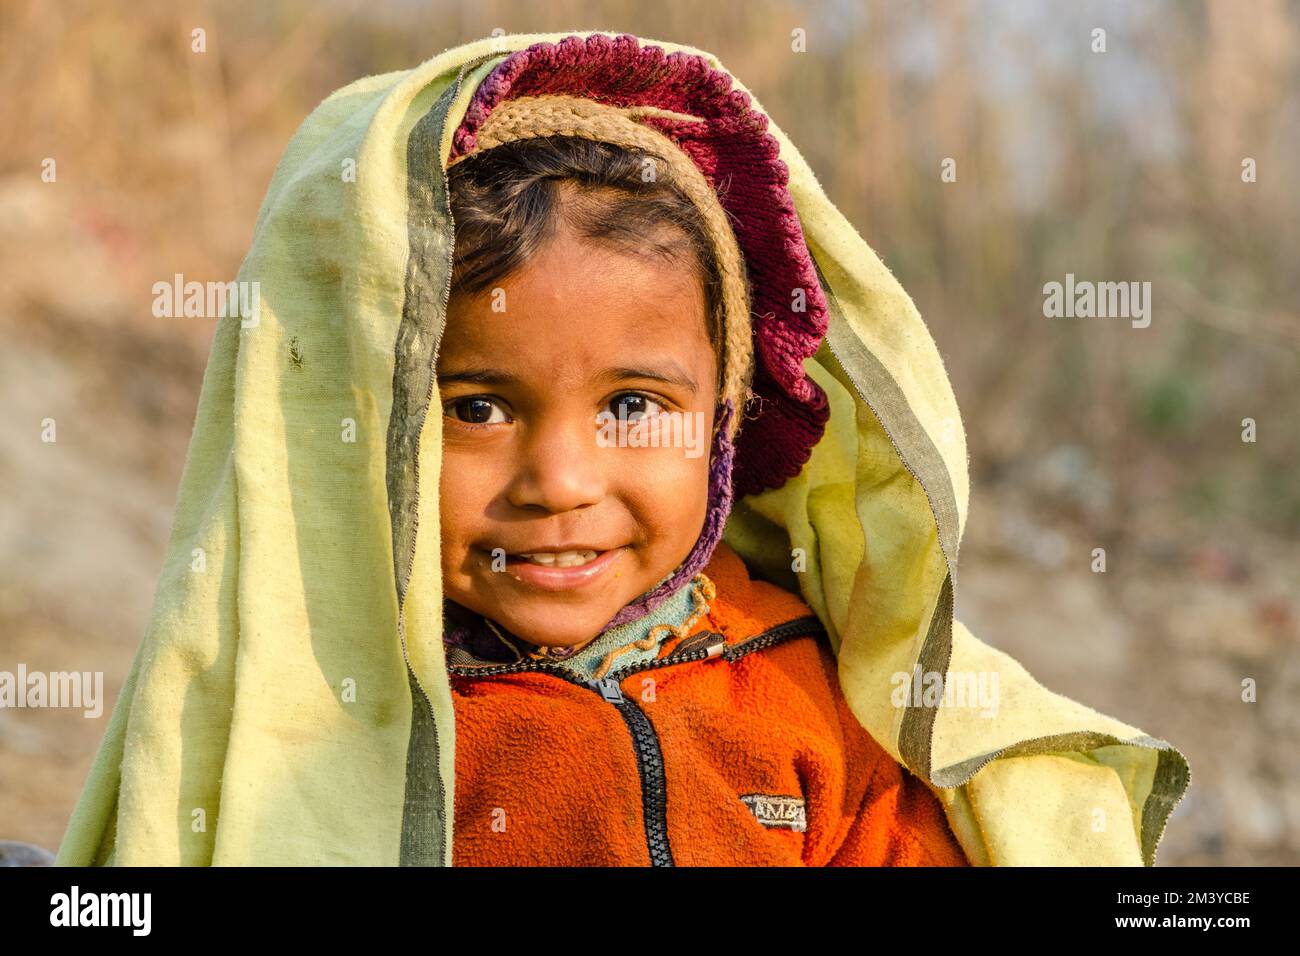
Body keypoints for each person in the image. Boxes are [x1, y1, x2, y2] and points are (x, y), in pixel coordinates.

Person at [54, 31, 1188, 867]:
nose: (561, 482)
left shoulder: (801, 680)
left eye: (635, 405)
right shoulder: (324, 722)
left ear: (728, 419)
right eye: (477, 406)